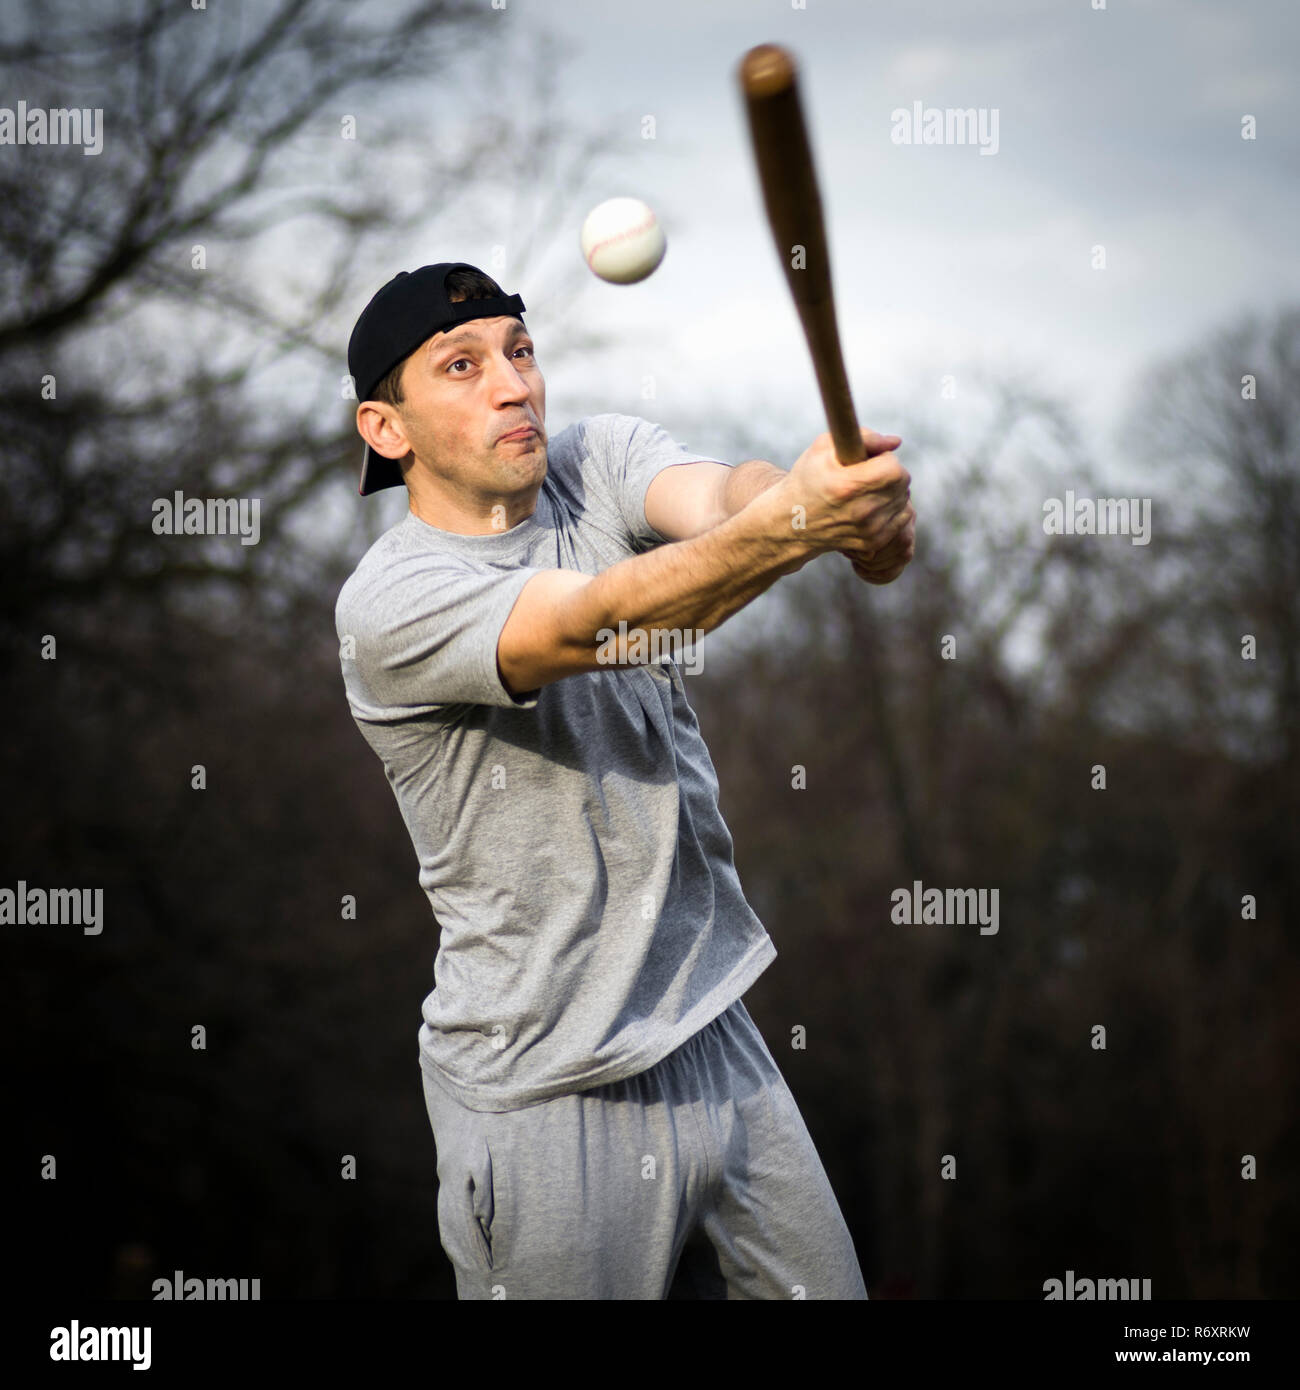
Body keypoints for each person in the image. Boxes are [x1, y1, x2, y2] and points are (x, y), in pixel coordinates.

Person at [334, 261, 915, 1299]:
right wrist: (799, 526)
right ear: (388, 429)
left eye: (520, 351)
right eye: (460, 367)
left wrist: (817, 496)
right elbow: (601, 619)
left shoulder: (590, 458)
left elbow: (720, 496)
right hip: (544, 1086)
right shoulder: (392, 600)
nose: (513, 385)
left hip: (710, 1024)